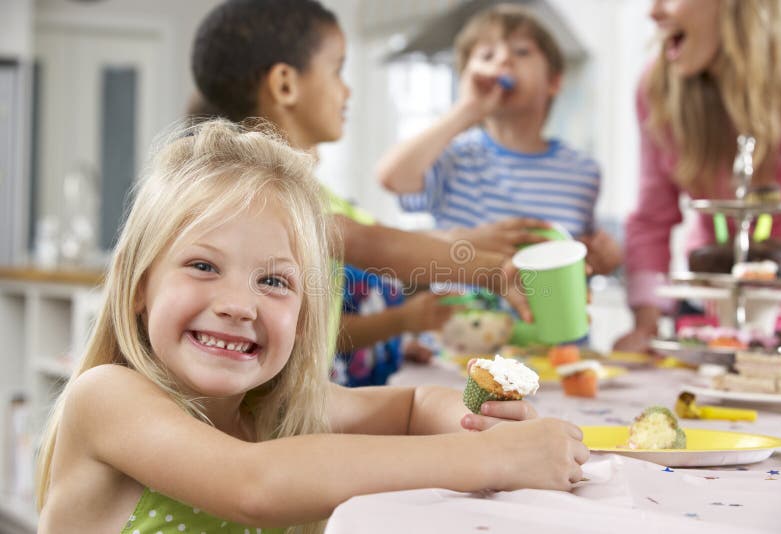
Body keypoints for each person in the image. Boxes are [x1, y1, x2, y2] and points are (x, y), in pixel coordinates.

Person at [34, 119, 588, 532]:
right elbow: (253, 485)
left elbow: (416, 405)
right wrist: (489, 457)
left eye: (274, 282)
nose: (238, 305)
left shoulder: (279, 408)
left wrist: (481, 425)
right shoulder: (106, 399)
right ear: (138, 289)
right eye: (203, 266)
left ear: (303, 317)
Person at [190, 0, 549, 383]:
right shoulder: (255, 190)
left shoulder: (308, 192)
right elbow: (364, 241)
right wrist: (493, 271)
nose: (347, 90)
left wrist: (466, 239)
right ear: (285, 84)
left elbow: (378, 235)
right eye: (337, 70)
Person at [375, 3, 622, 276]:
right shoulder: (455, 158)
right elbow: (391, 176)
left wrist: (604, 260)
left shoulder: (583, 172)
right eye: (487, 55)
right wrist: (467, 108)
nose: (504, 59)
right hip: (463, 317)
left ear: (553, 81)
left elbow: (580, 259)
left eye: (521, 51)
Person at [614, 0, 781, 352]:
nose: (652, 11)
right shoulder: (659, 90)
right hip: (708, 313)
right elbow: (652, 218)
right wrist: (647, 322)